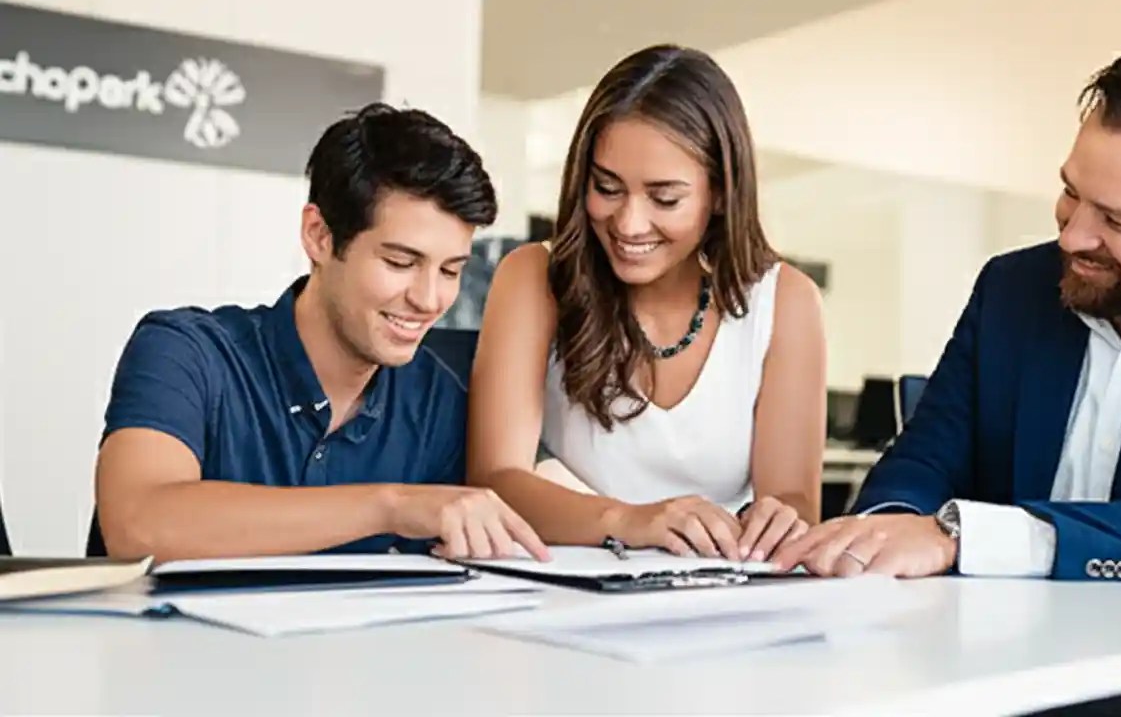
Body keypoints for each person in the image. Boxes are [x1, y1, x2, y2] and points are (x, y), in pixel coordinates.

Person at [774, 39, 1121, 586]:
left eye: (1116, 221)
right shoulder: (1012, 288)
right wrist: (884, 535)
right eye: (1070, 192)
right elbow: (921, 463)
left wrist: (964, 537)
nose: (1072, 235)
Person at [95, 103, 549, 563]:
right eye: (400, 263)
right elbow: (140, 526)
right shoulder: (185, 353)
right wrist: (391, 507)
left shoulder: (437, 403)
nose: (429, 299)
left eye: (450, 270)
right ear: (318, 236)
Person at [468, 45, 826, 561]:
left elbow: (791, 501)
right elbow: (496, 480)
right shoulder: (532, 278)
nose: (629, 224)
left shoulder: (785, 302)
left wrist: (780, 521)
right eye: (607, 187)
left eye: (665, 199)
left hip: (719, 593)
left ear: (720, 193)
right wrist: (633, 521)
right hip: (566, 589)